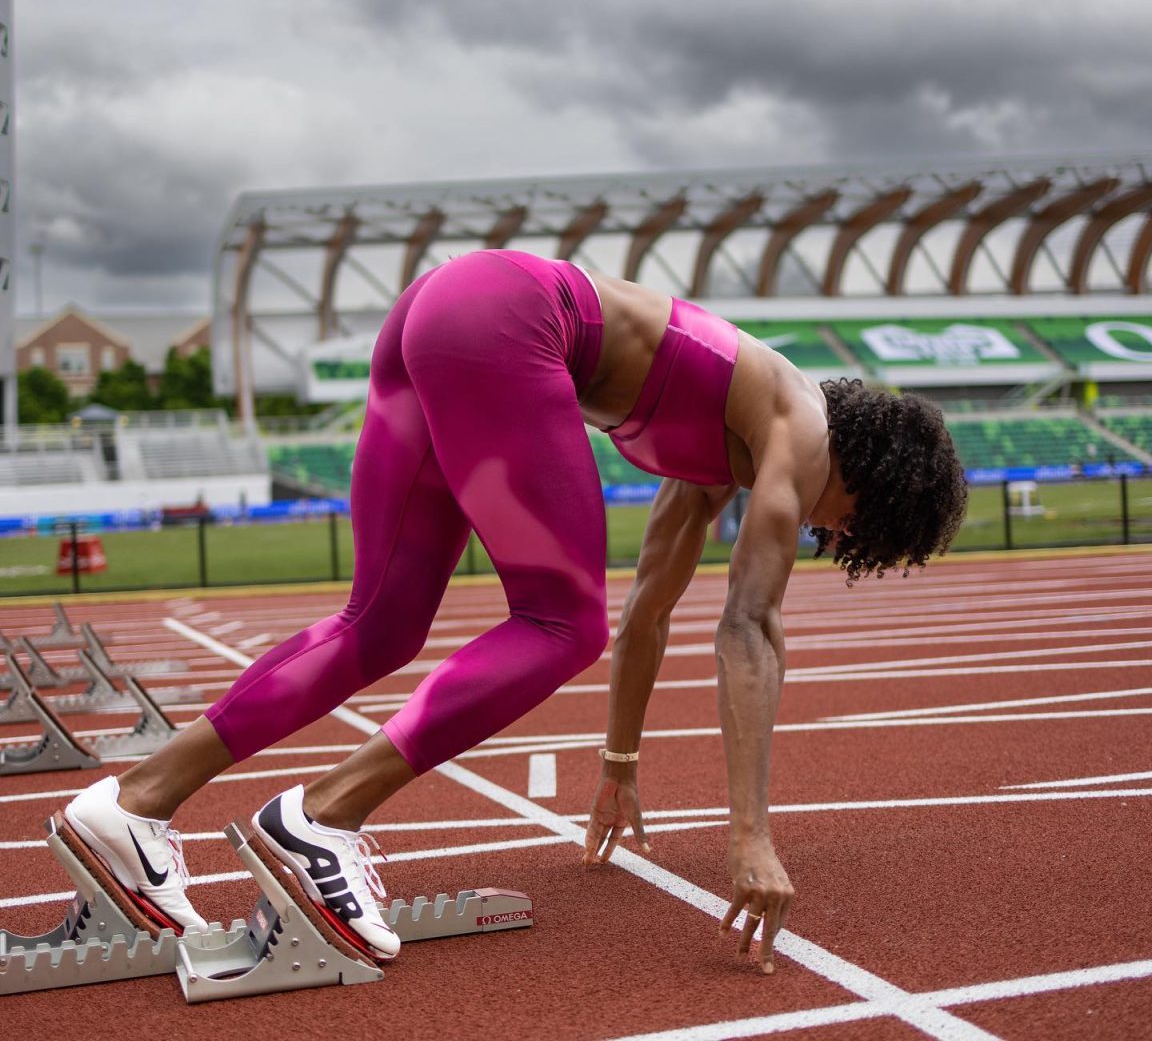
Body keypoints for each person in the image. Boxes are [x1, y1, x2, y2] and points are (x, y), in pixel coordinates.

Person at [58, 248, 967, 973]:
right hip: (508, 319)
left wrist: (617, 763)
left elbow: (651, 609)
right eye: (850, 531)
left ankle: (134, 804)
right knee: (559, 621)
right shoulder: (798, 433)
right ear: (876, 487)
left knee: (380, 622)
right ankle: (320, 819)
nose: (832, 538)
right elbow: (750, 629)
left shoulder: (726, 448)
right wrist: (751, 837)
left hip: (443, 308)